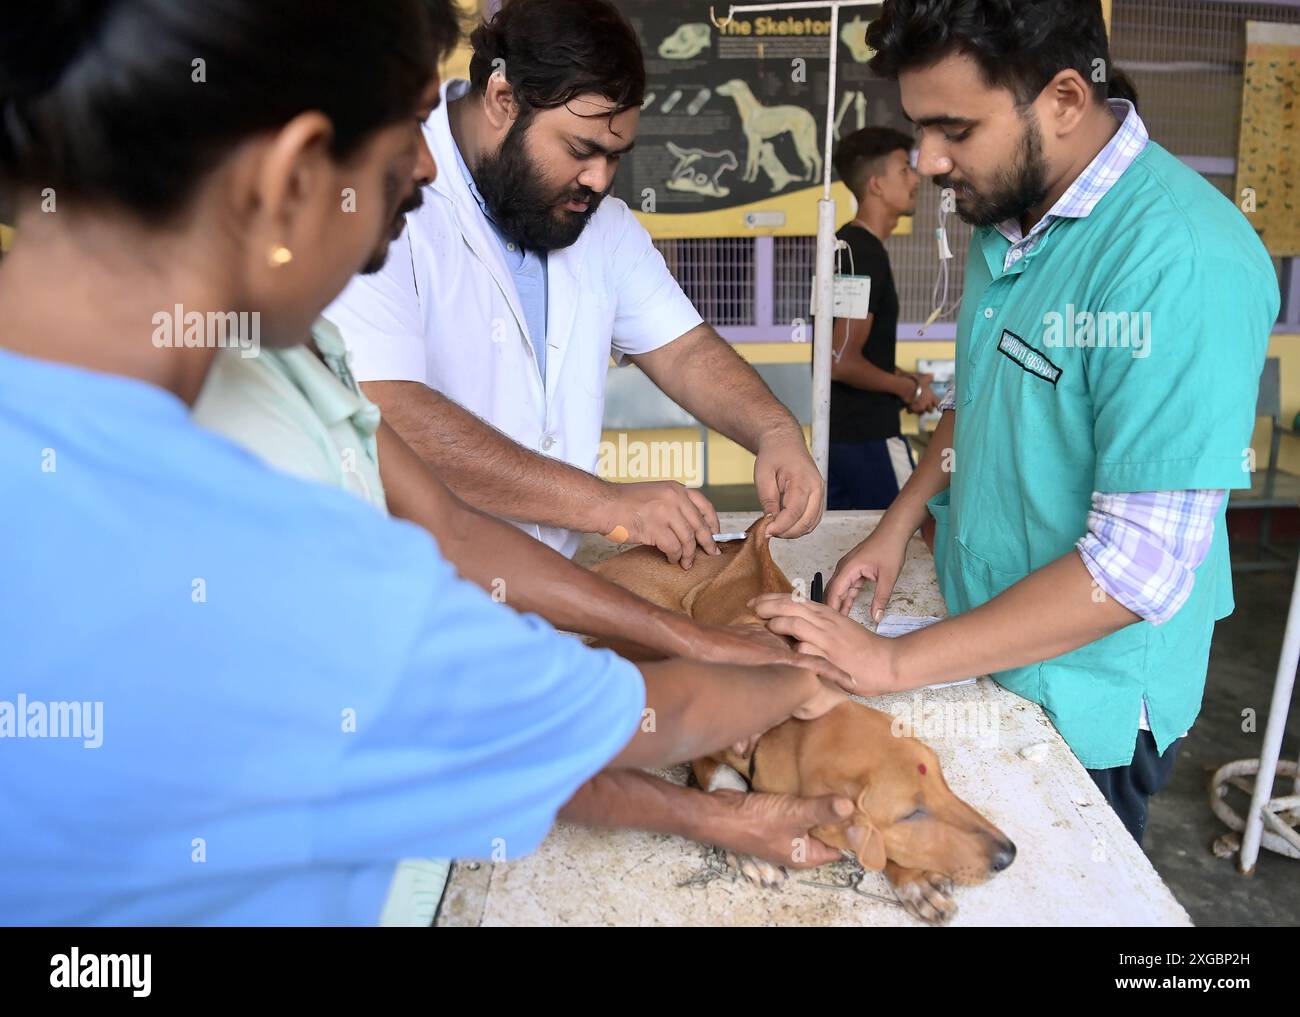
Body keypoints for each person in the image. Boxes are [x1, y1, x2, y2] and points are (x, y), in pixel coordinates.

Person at [0, 0, 845, 925]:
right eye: (406, 128)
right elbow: (579, 720)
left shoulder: (283, 358)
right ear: (289, 178)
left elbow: (451, 535)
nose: (426, 163)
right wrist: (796, 676)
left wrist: (694, 636)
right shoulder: (282, 562)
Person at [752, 0, 1280, 845]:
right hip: (976, 643)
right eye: (919, 129)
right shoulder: (1015, 225)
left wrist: (889, 662)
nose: (926, 160)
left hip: (1082, 693)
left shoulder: (1179, 263)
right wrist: (899, 521)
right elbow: (981, 397)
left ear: (1066, 99)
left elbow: (1136, 569)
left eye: (952, 128)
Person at [324, 0, 825, 570]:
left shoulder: (599, 222)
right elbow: (387, 412)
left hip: (544, 586)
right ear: (502, 100)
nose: (599, 180)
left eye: (616, 157)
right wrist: (607, 503)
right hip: (405, 586)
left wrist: (775, 429)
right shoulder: (387, 197)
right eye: (581, 150)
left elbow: (683, 350)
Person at [828, 126, 938, 510]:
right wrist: (908, 390)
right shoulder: (863, 252)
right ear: (875, 185)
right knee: (908, 543)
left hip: (838, 441)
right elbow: (840, 362)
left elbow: (846, 353)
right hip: (869, 439)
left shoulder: (847, 245)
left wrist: (904, 380)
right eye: (903, 170)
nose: (916, 178)